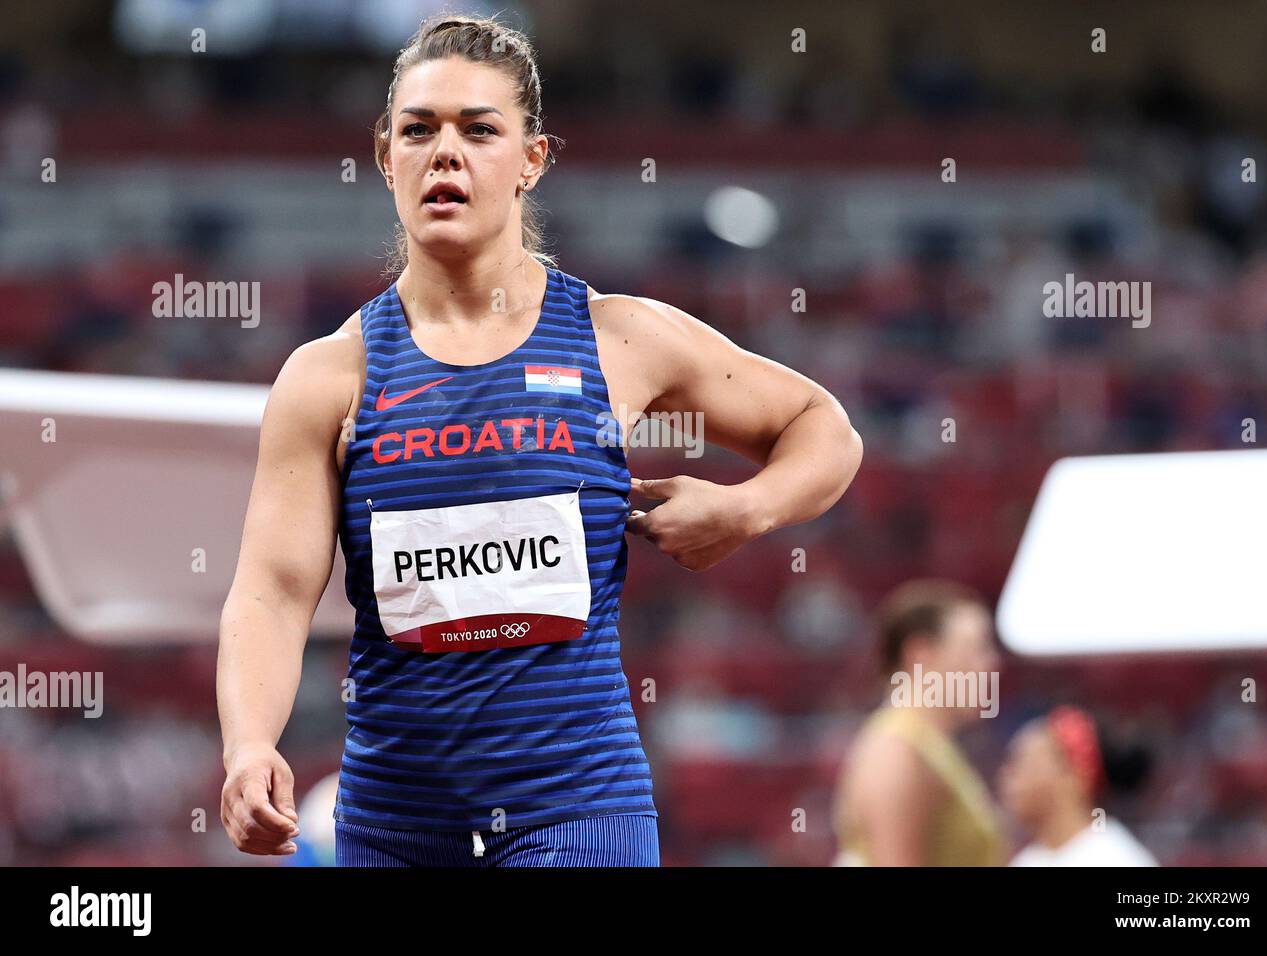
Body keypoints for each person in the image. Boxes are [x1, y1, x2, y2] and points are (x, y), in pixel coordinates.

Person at [216, 13, 863, 867]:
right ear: (385, 157)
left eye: (479, 129)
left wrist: (745, 511)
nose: (445, 152)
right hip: (394, 826)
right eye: (419, 130)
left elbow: (826, 431)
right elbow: (270, 590)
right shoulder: (329, 379)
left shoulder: (618, 341)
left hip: (580, 814)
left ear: (531, 160)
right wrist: (250, 744)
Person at [833, 579, 1005, 865]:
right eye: (976, 648)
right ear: (920, 654)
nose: (991, 664)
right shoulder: (896, 750)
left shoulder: (925, 745)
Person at [999, 706, 1158, 866]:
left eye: (1021, 763)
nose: (1005, 776)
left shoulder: (1116, 859)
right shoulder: (1027, 860)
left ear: (1073, 775)